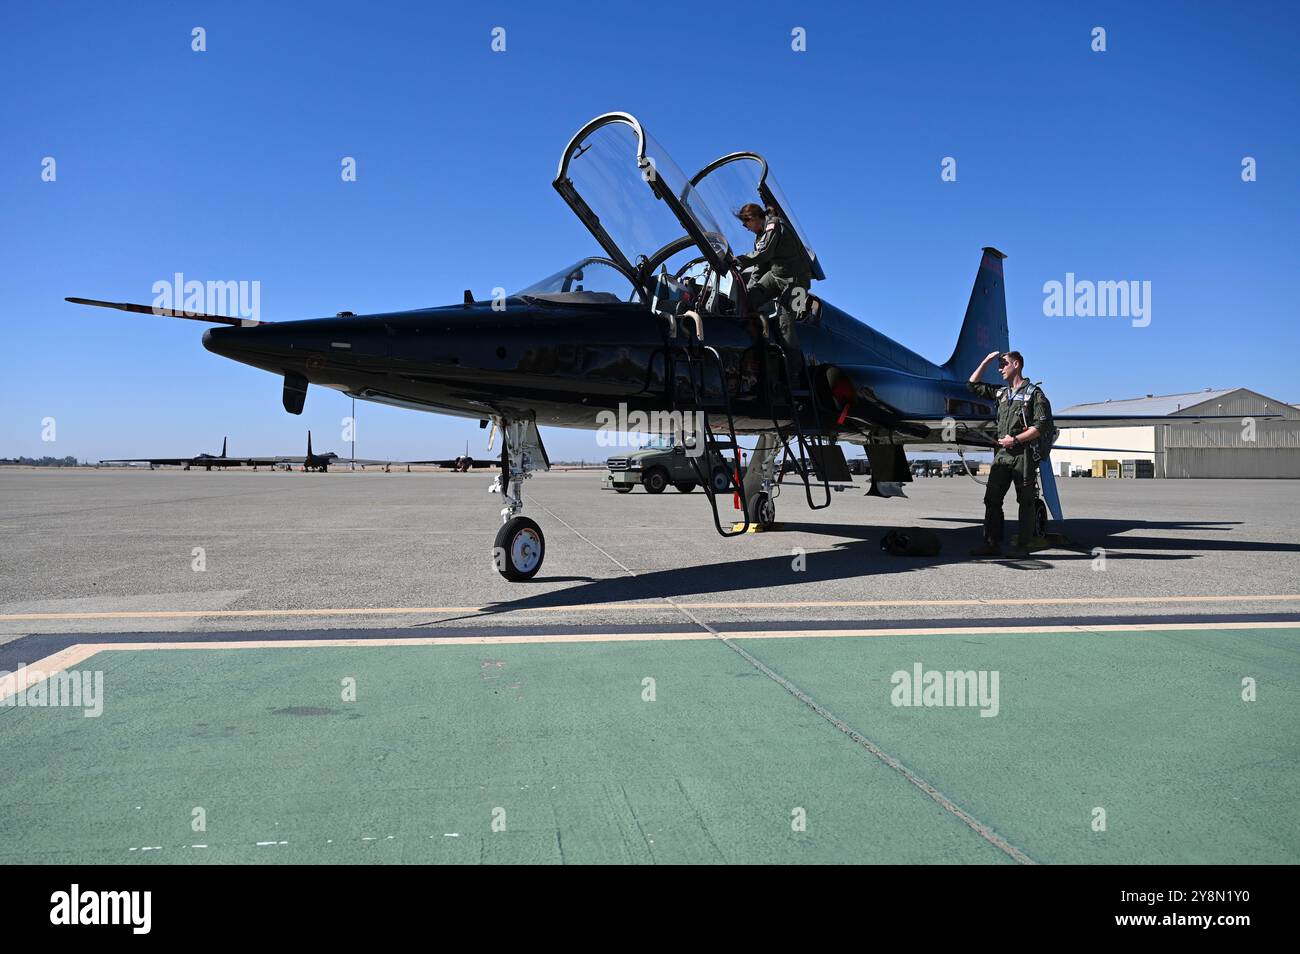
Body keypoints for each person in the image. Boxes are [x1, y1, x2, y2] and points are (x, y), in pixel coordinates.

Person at [967, 350, 1053, 557]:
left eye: (1003, 364)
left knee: (1025, 501)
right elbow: (972, 385)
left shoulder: (1034, 394)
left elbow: (1041, 427)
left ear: (1016, 364)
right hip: (1003, 455)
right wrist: (986, 360)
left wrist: (1015, 439)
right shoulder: (1002, 394)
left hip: (1023, 454)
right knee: (991, 499)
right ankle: (992, 543)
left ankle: (1022, 546)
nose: (1000, 368)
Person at [733, 202, 812, 379]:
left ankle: (793, 373)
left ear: (752, 218)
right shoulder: (760, 236)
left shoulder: (774, 224)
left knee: (785, 322)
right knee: (749, 301)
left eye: (745, 224)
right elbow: (760, 268)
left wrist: (737, 260)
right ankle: (759, 350)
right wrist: (749, 291)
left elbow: (764, 254)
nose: (746, 229)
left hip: (798, 282)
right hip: (776, 276)